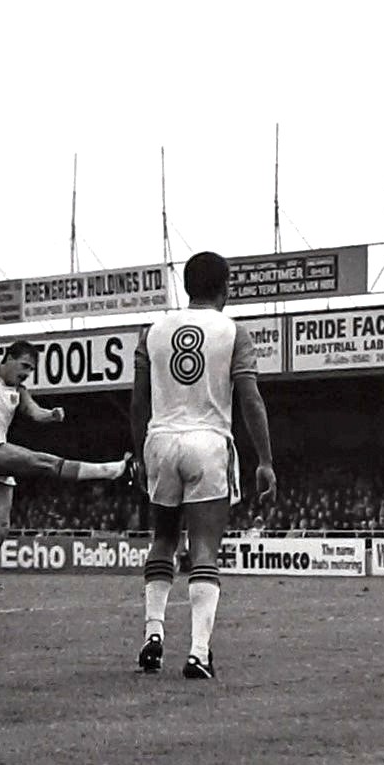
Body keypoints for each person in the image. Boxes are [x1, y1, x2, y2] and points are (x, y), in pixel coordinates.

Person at [131, 251, 276, 680]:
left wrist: (140, 450)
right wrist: (265, 459)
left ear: (187, 285)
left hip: (161, 439)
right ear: (225, 287)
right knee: (204, 550)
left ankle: (153, 634)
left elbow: (138, 400)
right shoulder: (233, 332)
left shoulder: (152, 331)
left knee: (162, 538)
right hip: (209, 441)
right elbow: (250, 398)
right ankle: (197, 651)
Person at [0, 339, 132, 620]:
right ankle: (110, 470)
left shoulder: (19, 391)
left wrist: (51, 415)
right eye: (25, 366)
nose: (27, 373)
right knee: (42, 462)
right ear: (8, 358)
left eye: (31, 369)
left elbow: (34, 412)